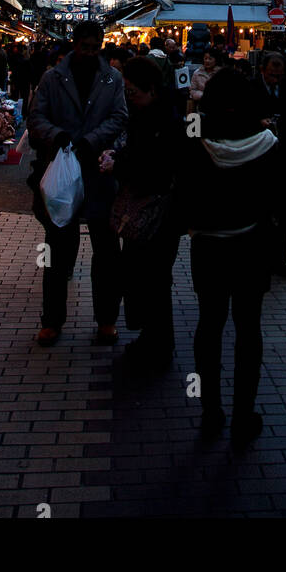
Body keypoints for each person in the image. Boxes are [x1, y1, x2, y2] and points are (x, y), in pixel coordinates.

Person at [178, 69, 280, 449]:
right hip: (252, 245)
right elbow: (281, 195)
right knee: (248, 329)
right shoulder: (268, 141)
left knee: (209, 324)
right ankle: (243, 413)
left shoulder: (193, 133)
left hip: (208, 244)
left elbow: (181, 179)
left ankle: (210, 410)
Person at [27, 20, 126, 347]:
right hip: (62, 170)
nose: (89, 52)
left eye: (95, 47)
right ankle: (51, 320)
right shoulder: (53, 78)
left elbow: (119, 116)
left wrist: (92, 141)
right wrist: (60, 137)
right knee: (57, 248)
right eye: (84, 46)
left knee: (107, 250)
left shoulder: (112, 78)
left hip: (99, 171)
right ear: (74, 44)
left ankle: (107, 320)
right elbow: (36, 118)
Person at [103, 57, 183, 373]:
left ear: (151, 89)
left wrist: (119, 164)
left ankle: (157, 345)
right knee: (150, 281)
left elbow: (156, 169)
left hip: (157, 216)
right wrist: (119, 156)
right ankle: (153, 340)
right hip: (150, 216)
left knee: (153, 280)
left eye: (133, 91)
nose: (129, 97)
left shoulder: (166, 120)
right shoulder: (147, 113)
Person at [249, 52, 286, 277]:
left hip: (284, 159)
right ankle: (259, 256)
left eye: (279, 76)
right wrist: (257, 121)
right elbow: (243, 114)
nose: (275, 80)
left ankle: (280, 258)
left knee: (284, 212)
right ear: (262, 70)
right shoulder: (251, 88)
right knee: (259, 210)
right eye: (272, 75)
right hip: (258, 159)